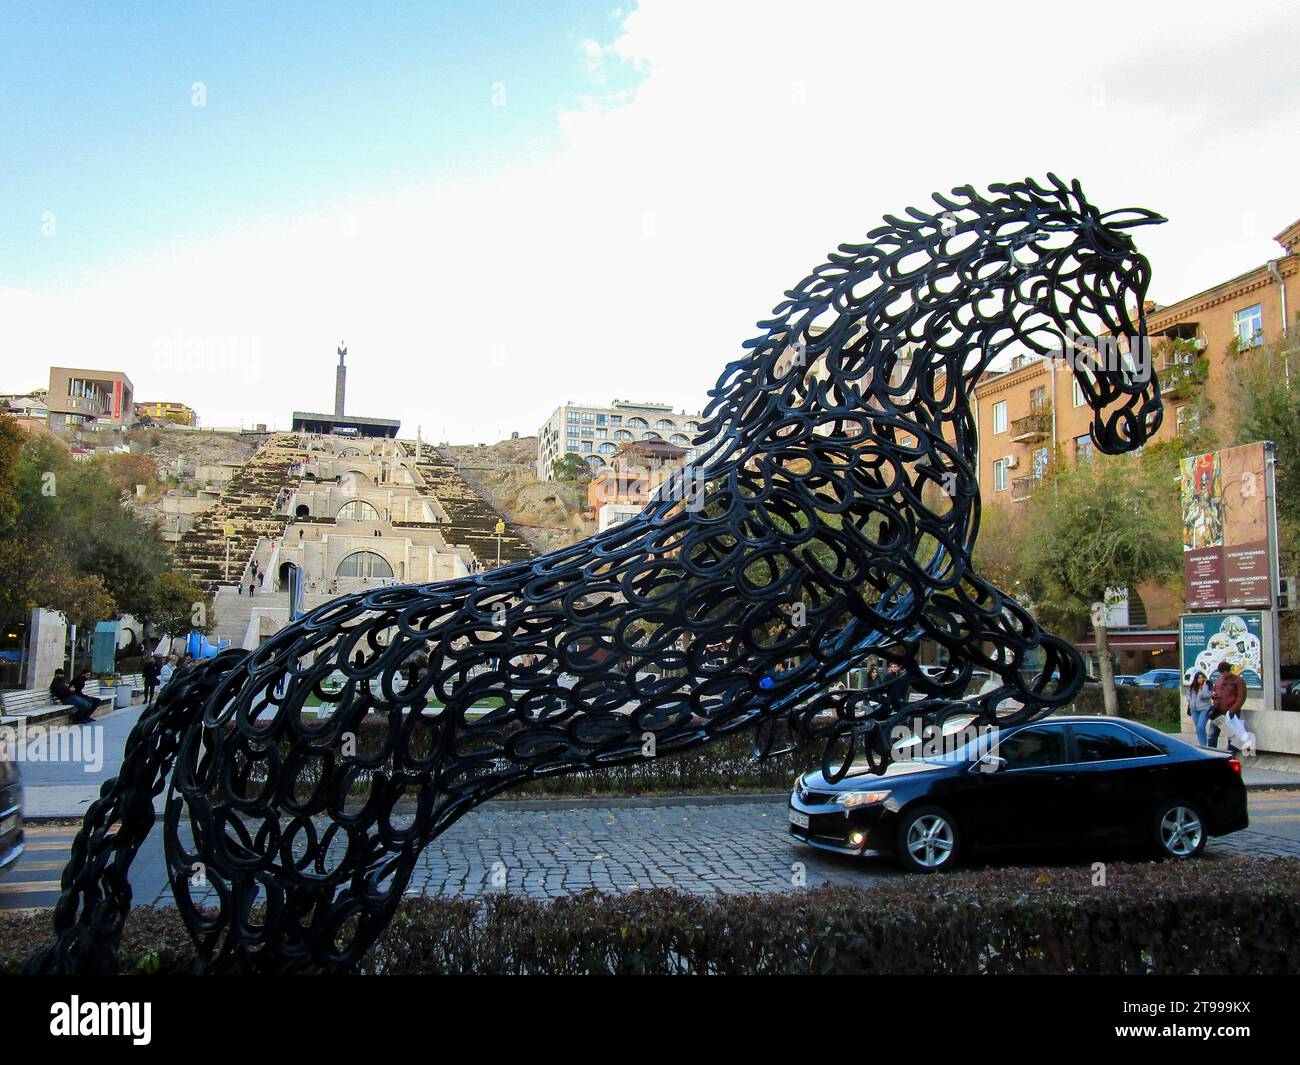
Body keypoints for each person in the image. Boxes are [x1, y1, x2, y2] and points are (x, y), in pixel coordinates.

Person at [1211, 660, 1247, 756]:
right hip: (1218, 710)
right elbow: (1215, 691)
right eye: (1221, 673)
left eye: (1223, 672)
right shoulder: (1219, 679)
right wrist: (1214, 698)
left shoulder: (1238, 680)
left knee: (1231, 735)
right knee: (1213, 734)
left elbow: (1241, 696)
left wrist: (1233, 710)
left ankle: (1231, 754)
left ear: (1228, 670)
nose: (1222, 674)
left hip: (1230, 711)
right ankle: (1211, 752)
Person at [1186, 670, 1214, 747]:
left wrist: (1204, 685)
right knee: (1198, 728)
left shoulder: (1208, 686)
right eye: (1199, 678)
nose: (1201, 679)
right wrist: (1190, 701)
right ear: (1196, 679)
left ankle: (1205, 745)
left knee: (1201, 726)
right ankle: (1202, 745)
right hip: (1194, 709)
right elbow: (1188, 695)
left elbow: (1205, 695)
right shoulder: (1192, 686)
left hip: (1204, 709)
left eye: (1202, 677)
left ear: (1205, 678)